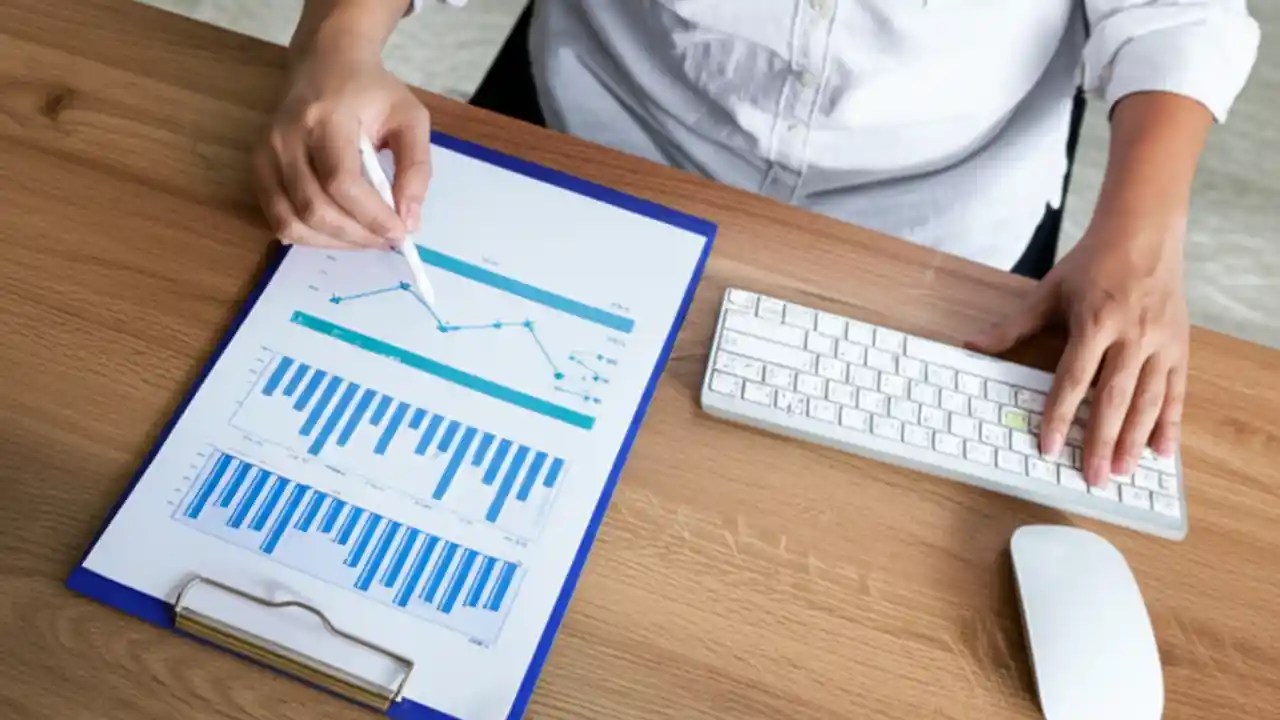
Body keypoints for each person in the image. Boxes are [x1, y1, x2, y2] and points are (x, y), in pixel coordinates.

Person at [252, 0, 1259, 488]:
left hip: (942, 212)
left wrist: (1142, 239)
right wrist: (336, 45)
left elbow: (1177, 13)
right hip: (603, 125)